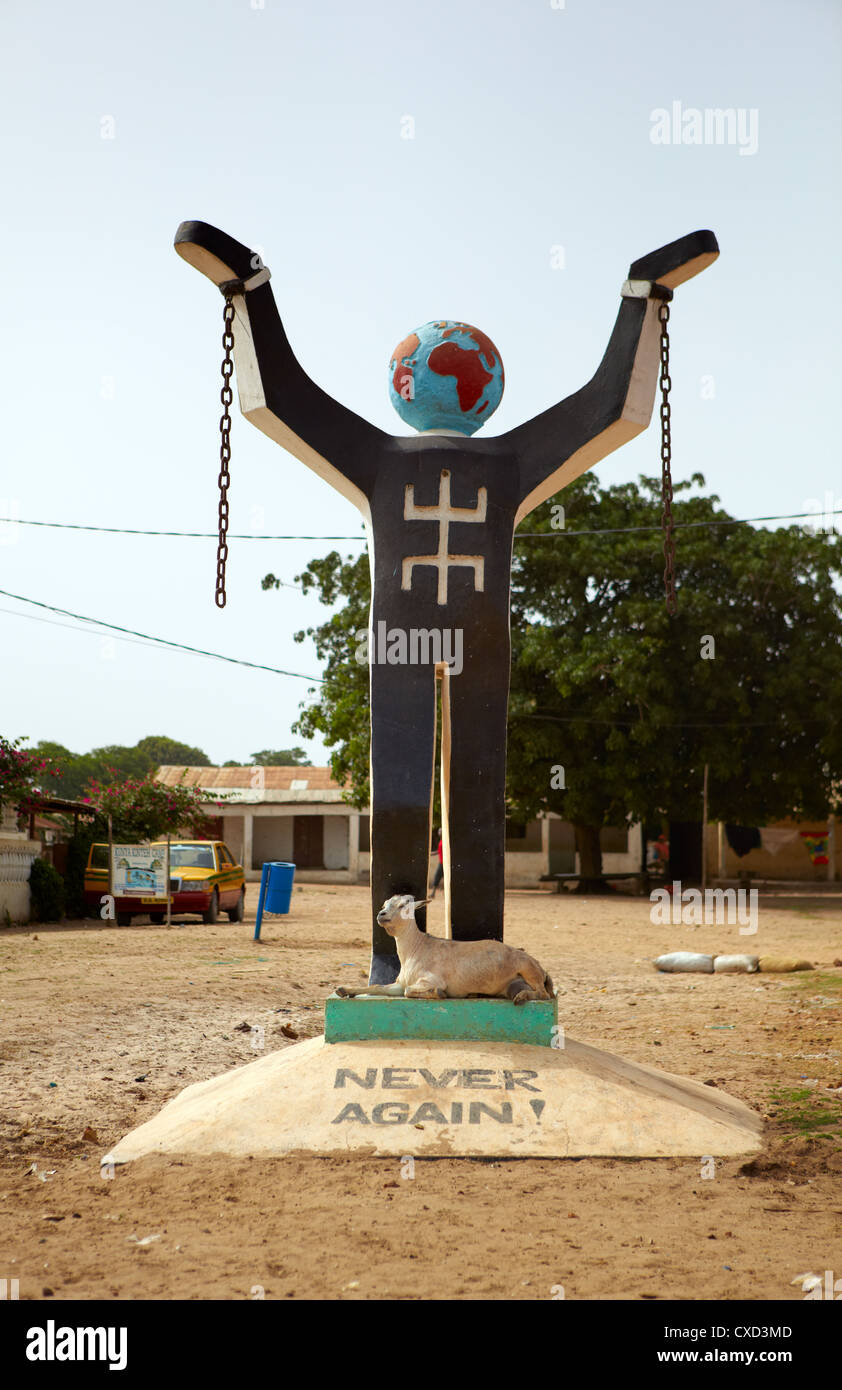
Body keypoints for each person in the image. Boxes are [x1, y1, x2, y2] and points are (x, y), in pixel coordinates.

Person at [175, 220, 718, 983]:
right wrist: (246, 288)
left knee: (477, 805)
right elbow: (284, 397)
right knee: (399, 796)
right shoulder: (377, 458)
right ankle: (388, 965)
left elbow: (609, 407)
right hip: (398, 641)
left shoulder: (511, 460)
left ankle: (482, 957)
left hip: (481, 643)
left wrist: (646, 296)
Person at [430, 831, 444, 897]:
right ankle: (433, 893)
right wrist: (431, 853)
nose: (439, 832)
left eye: (440, 831)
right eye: (439, 831)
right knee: (438, 877)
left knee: (437, 877)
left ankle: (433, 893)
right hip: (441, 862)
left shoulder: (444, 841)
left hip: (443, 863)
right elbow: (439, 851)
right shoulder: (441, 841)